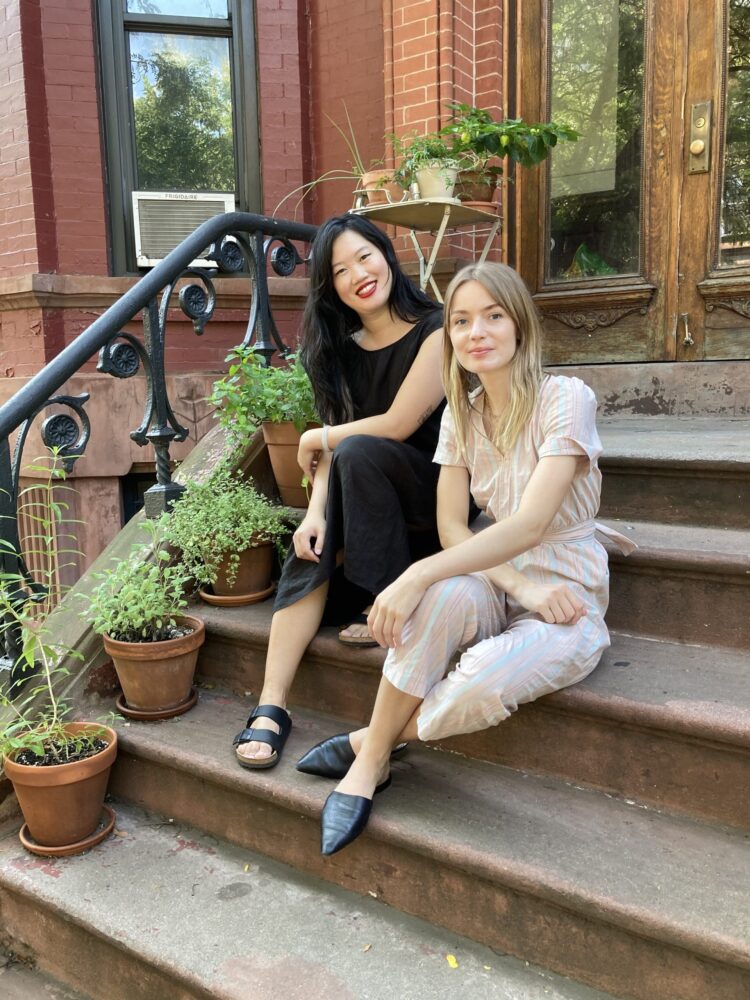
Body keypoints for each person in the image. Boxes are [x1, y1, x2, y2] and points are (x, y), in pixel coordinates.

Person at [298, 261, 635, 856]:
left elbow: (531, 525)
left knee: (480, 681)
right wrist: (509, 586)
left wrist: (416, 573)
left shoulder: (566, 398)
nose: (475, 332)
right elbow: (452, 526)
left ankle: (369, 743)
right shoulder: (462, 413)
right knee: (443, 598)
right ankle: (370, 768)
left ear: (520, 324)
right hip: (495, 573)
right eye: (460, 321)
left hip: (567, 591)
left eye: (493, 316)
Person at [232, 214, 448, 769]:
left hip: (433, 494)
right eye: (340, 271)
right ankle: (272, 702)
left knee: (360, 452)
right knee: (314, 540)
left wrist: (315, 437)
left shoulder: (438, 329)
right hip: (367, 494)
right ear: (330, 287)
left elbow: (397, 425)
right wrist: (315, 512)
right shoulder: (338, 351)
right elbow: (336, 448)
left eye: (364, 257)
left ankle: (382, 598)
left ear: (387, 255)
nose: (358, 275)